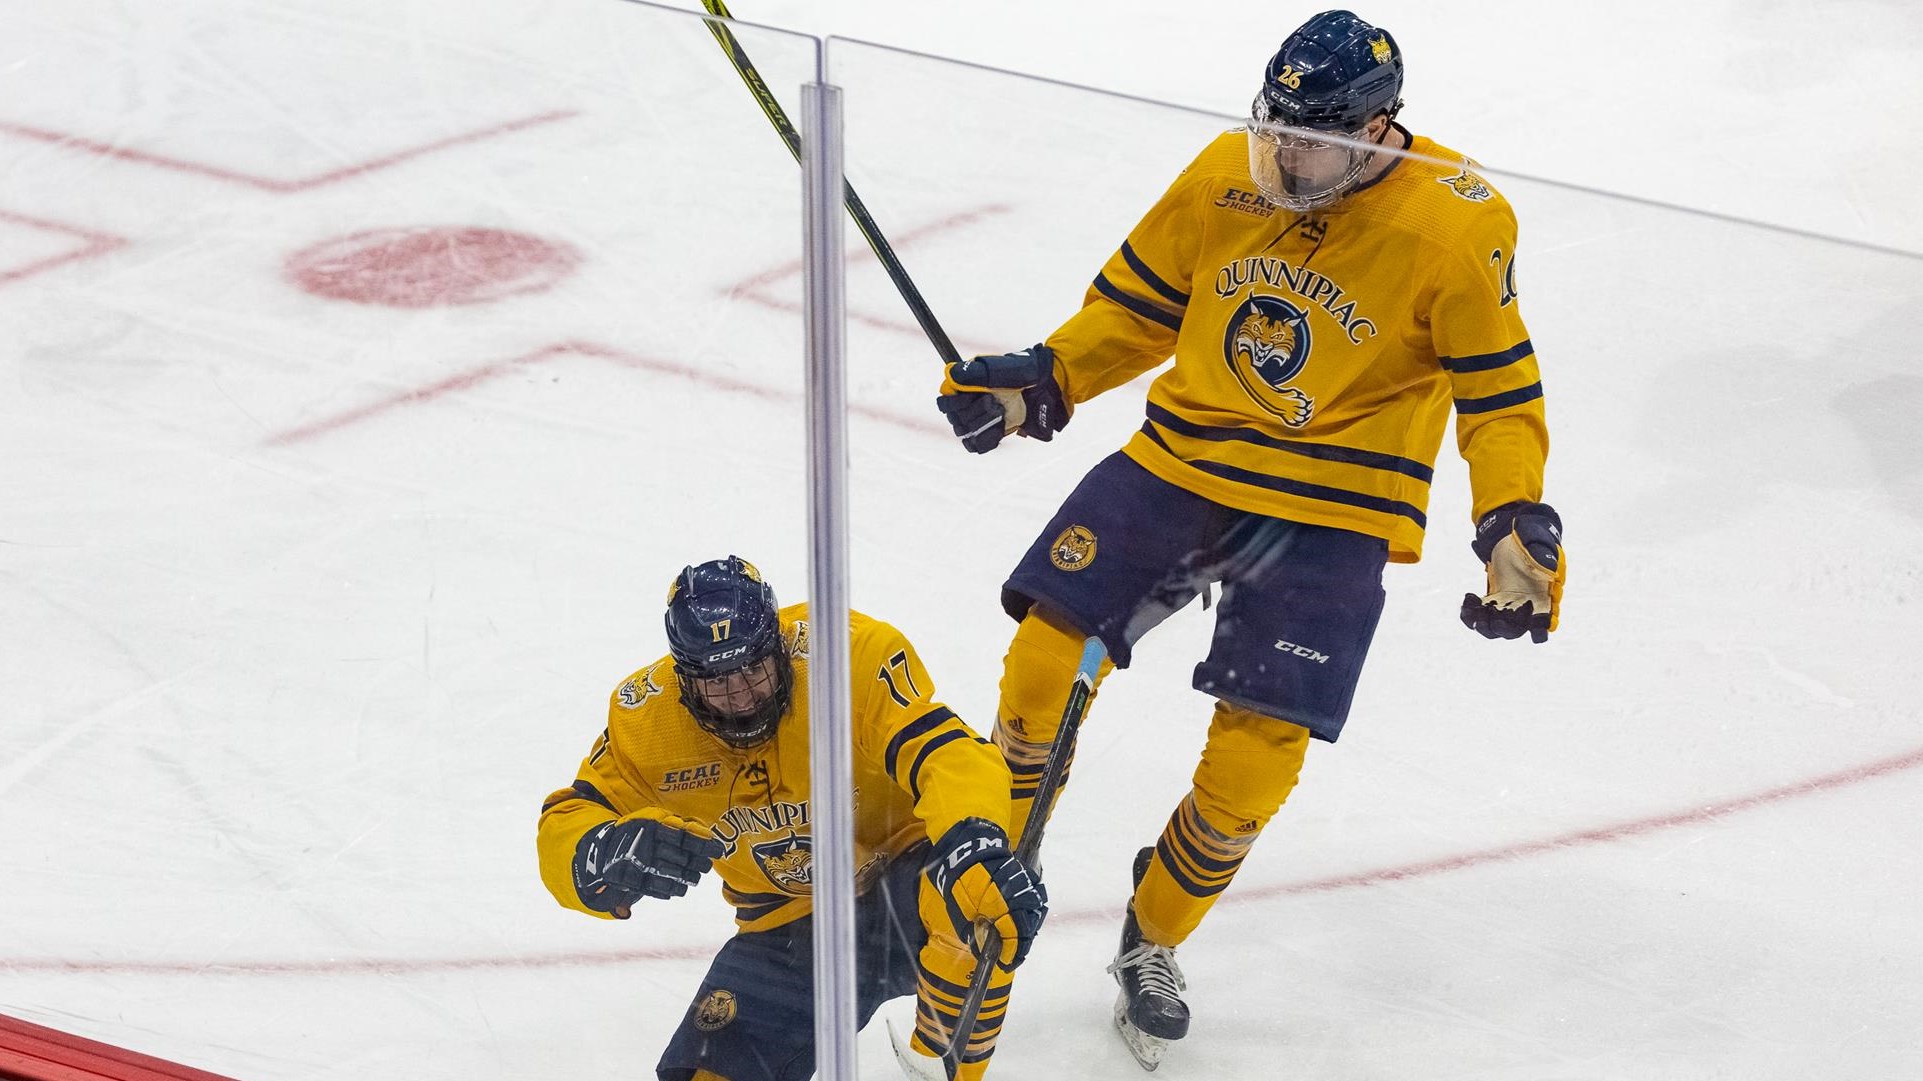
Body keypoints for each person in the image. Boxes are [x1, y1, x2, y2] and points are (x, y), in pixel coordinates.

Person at [933, 9, 1566, 1070]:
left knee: (1249, 773)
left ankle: (1154, 935)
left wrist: (1510, 515)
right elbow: (1137, 307)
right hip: (1182, 464)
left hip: (1335, 507)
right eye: (1273, 124)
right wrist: (1051, 376)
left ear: (1375, 129)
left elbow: (1497, 394)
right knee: (1049, 655)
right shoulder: (1228, 169)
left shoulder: (1459, 222)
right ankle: (987, 874)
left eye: (1308, 138)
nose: (1280, 153)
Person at [536, 556, 1047, 1081]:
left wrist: (974, 841)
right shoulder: (646, 720)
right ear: (682, 676)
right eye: (716, 682)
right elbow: (569, 817)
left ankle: (944, 1069)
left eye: (752, 670)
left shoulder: (844, 655)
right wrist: (597, 852)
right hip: (787, 928)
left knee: (978, 895)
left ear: (778, 646)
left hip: (907, 885)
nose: (740, 698)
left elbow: (950, 754)